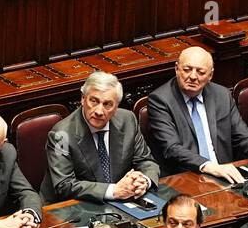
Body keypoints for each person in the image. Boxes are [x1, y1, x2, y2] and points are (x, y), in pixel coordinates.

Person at [147, 45, 248, 182]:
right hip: (185, 178)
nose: (193, 76)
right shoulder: (161, 100)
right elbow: (172, 148)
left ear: (210, 75)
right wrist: (209, 166)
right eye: (187, 70)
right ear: (177, 69)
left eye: (200, 72)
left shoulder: (222, 95)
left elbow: (243, 136)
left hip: (225, 175)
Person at [42, 70, 161, 203]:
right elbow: (64, 185)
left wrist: (144, 180)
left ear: (116, 107)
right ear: (82, 99)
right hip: (69, 206)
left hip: (118, 201)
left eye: (107, 104)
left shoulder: (127, 120)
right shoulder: (61, 134)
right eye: (94, 101)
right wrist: (113, 191)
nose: (99, 111)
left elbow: (146, 161)